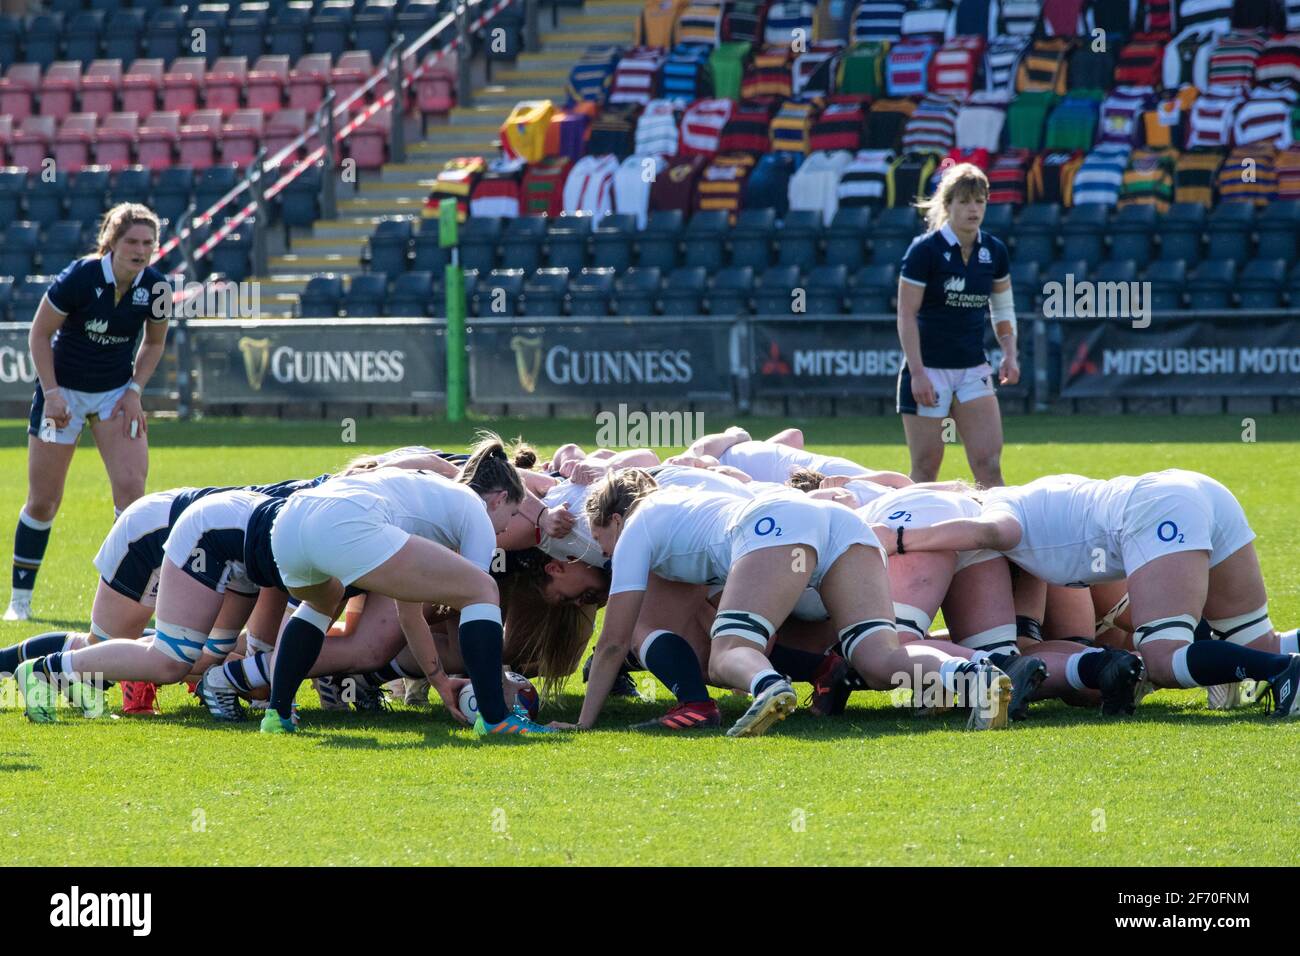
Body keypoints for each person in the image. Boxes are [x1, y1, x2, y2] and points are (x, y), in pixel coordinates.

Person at [871, 470, 1300, 718]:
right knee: (1255, 640)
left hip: (1159, 510)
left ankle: (1283, 672)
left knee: (1163, 658)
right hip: (1200, 490)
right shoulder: (1036, 493)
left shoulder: (1000, 507)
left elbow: (989, 531)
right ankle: (1278, 661)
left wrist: (900, 537)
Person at [6, 204, 169, 621]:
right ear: (112, 242)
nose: (140, 250)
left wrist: (134, 391)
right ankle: (19, 602)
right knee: (43, 502)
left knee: (133, 496)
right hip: (63, 392)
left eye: (148, 243)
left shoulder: (158, 287)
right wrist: (52, 393)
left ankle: (127, 601)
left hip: (115, 393)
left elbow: (154, 343)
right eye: (132, 241)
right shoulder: (80, 275)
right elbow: (40, 334)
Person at [896, 163, 1017, 487]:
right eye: (964, 201)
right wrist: (918, 373)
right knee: (925, 468)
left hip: (972, 369)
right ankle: (914, 535)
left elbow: (1002, 306)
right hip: (930, 370)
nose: (973, 209)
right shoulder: (925, 250)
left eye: (979, 201)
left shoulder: (994, 250)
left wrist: (1010, 352)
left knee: (989, 465)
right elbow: (906, 314)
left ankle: (998, 536)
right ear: (947, 205)